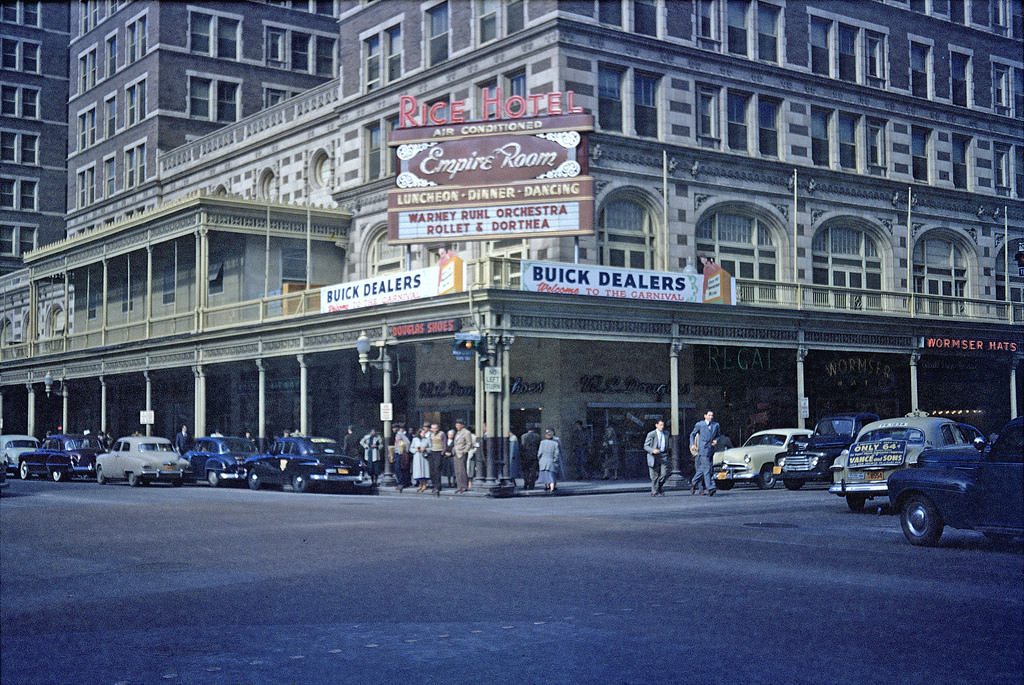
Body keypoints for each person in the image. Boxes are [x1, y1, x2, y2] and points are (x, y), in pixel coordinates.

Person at [690, 410, 721, 496]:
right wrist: (692, 444)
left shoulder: (716, 425)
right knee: (707, 468)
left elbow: (718, 435)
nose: (711, 417)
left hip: (711, 449)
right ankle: (710, 487)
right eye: (709, 415)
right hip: (703, 449)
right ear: (705, 416)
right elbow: (692, 434)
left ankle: (693, 482)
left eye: (712, 415)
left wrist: (716, 440)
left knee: (704, 468)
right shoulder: (700, 424)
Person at [644, 419, 671, 497]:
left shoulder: (666, 433)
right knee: (654, 475)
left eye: (663, 425)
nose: (662, 427)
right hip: (654, 455)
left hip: (663, 455)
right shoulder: (651, 434)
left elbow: (668, 444)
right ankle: (654, 490)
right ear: (656, 425)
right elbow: (646, 446)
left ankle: (659, 487)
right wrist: (652, 450)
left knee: (664, 473)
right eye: (660, 425)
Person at [453, 419, 473, 493]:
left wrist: (465, 451)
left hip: (461, 453)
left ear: (462, 425)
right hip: (456, 453)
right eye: (456, 425)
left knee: (462, 470)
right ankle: (459, 486)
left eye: (458, 425)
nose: (456, 426)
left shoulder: (466, 432)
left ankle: (464, 486)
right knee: (457, 471)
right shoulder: (458, 433)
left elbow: (469, 443)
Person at [520, 426, 541, 491]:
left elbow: (522, 445)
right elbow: (538, 446)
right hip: (534, 456)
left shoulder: (523, 436)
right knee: (533, 471)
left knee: (526, 470)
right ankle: (532, 485)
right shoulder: (537, 436)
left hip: (525, 456)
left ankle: (526, 483)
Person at [427, 422, 445, 496]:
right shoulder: (430, 434)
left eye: (436, 428)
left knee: (437, 469)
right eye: (433, 428)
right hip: (432, 452)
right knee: (432, 470)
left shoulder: (441, 434)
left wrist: (443, 452)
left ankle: (438, 486)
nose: (434, 429)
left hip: (439, 452)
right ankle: (434, 485)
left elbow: (445, 443)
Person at [411, 426, 430, 492]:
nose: (424, 434)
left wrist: (425, 449)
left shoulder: (427, 439)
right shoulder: (415, 439)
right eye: (423, 432)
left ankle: (425, 484)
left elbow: (430, 448)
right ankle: (420, 484)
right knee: (418, 471)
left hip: (424, 457)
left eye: (425, 432)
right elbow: (411, 448)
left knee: (424, 470)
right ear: (419, 433)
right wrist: (415, 450)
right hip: (417, 456)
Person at [393, 425, 410, 492]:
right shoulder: (397, 434)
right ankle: (402, 482)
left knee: (399, 468)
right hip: (397, 452)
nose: (393, 429)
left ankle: (401, 483)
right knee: (398, 468)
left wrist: (405, 451)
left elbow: (407, 442)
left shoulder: (400, 434)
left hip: (400, 453)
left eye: (394, 428)